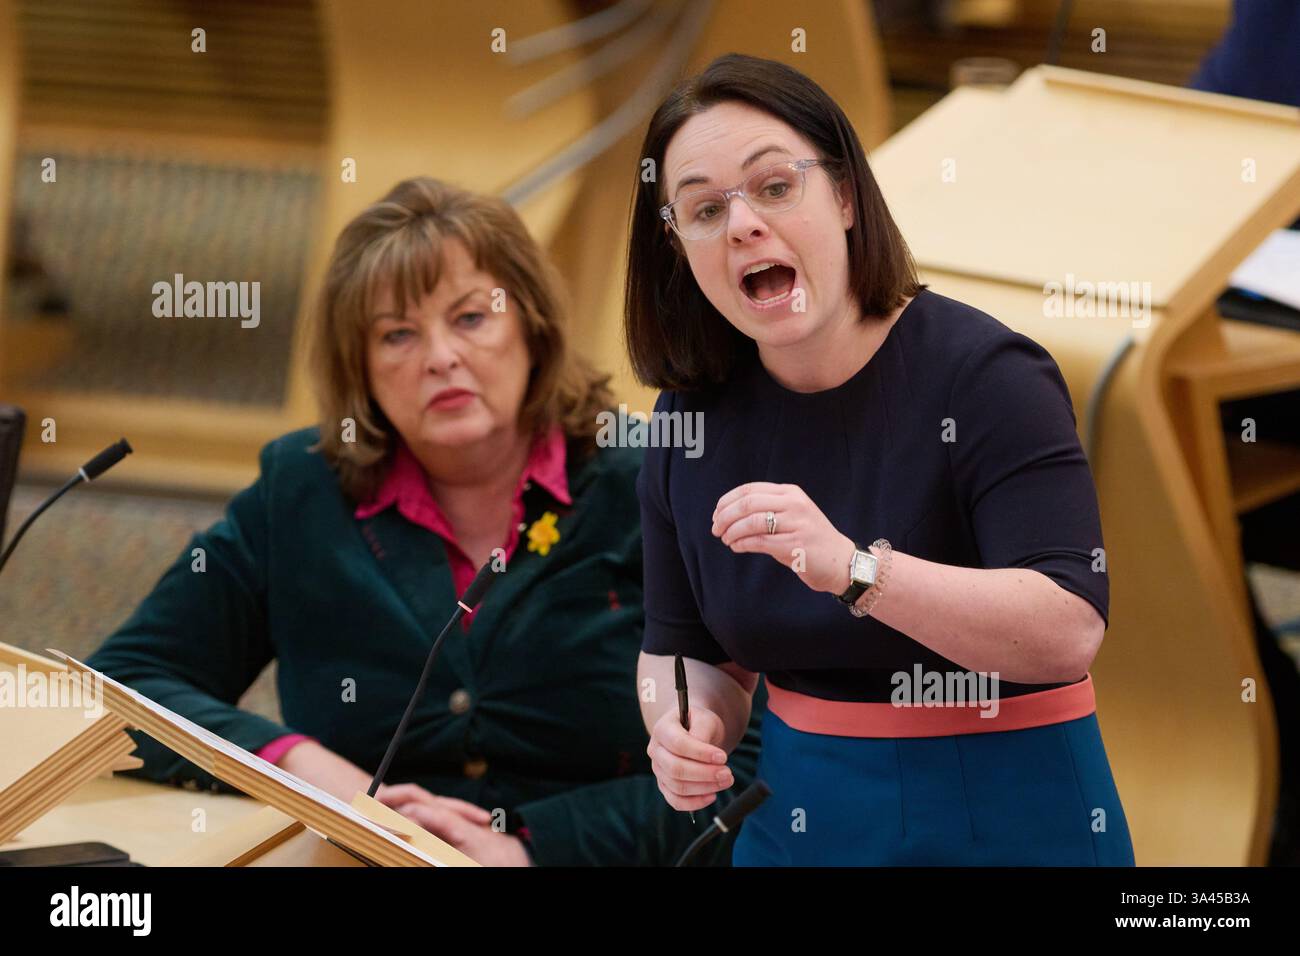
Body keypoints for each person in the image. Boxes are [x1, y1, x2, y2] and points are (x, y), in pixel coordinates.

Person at [88, 176, 761, 866]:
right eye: (398, 335)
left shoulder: (652, 482)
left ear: (532, 325)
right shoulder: (302, 489)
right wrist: (305, 769)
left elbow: (758, 766)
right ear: (362, 368)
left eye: (471, 318)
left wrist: (531, 847)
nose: (440, 358)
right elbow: (120, 684)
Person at [627, 54, 1134, 865]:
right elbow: (684, 648)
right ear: (678, 247)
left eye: (775, 187)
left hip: (1002, 809)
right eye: (703, 210)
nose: (744, 224)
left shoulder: (988, 376)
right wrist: (684, 725)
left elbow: (1067, 628)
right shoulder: (690, 418)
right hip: (800, 818)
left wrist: (855, 572)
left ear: (846, 196)